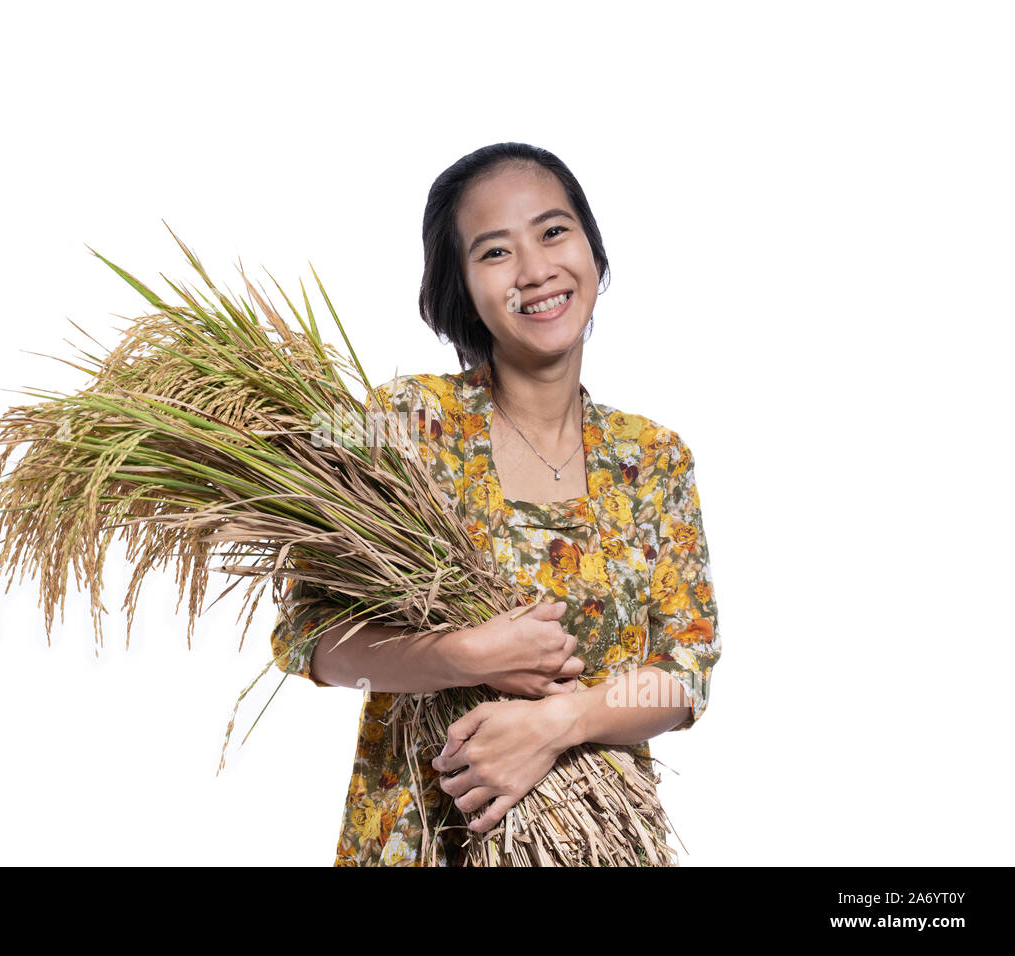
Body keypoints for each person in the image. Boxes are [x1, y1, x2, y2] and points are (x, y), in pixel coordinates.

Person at [269, 142, 722, 867]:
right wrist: (461, 655)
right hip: (419, 841)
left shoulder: (654, 458)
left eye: (553, 232)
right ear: (462, 290)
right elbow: (310, 642)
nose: (536, 270)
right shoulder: (404, 424)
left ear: (594, 254)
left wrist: (560, 722)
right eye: (494, 253)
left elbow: (685, 669)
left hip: (594, 848)